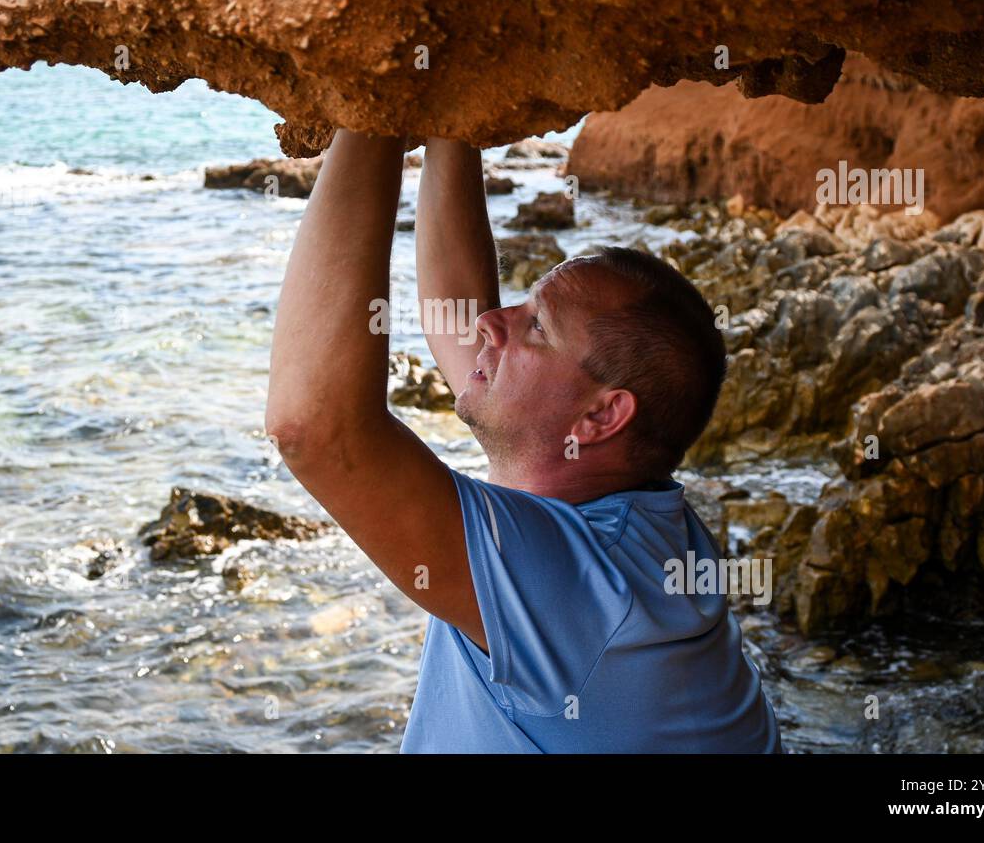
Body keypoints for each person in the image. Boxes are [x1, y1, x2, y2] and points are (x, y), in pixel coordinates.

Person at [266, 128, 783, 753]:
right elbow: (457, 311)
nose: (491, 321)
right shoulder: (618, 510)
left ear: (601, 417)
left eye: (536, 325)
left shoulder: (587, 590)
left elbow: (316, 430)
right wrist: (448, 114)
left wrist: (368, 113)